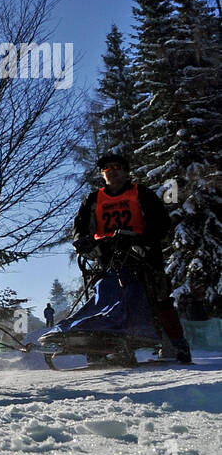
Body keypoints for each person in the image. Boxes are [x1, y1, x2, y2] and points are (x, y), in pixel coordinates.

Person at [72, 152, 191, 363]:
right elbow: (80, 227)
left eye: (116, 168)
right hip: (108, 257)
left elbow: (161, 223)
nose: (112, 173)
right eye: (106, 169)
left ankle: (176, 344)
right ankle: (103, 344)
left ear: (126, 172)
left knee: (158, 298)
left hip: (142, 254)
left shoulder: (141, 194)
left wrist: (140, 238)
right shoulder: (93, 199)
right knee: (106, 296)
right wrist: (83, 241)